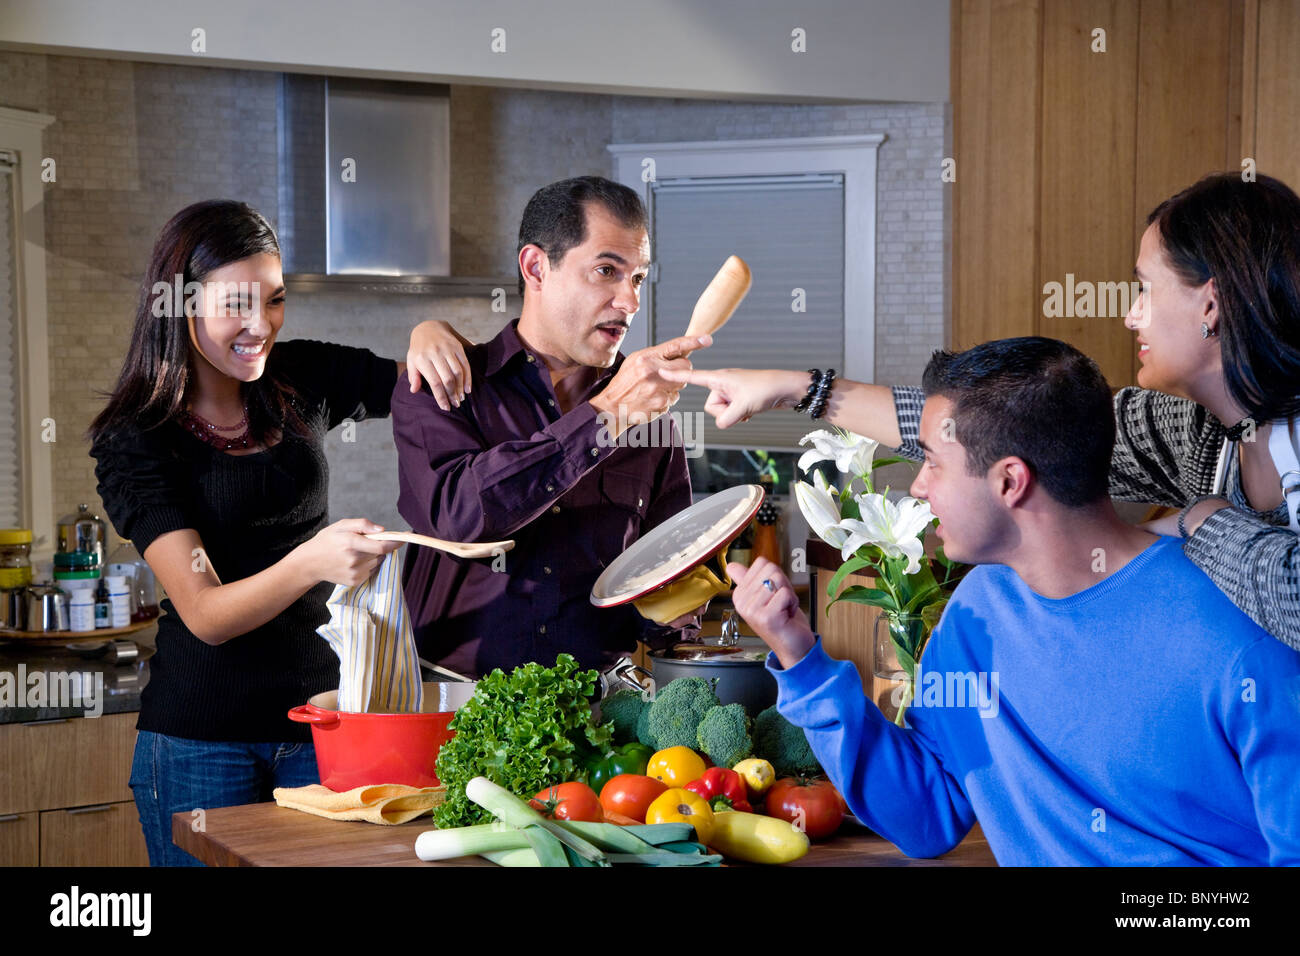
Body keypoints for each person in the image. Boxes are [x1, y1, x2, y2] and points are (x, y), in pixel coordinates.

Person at [664, 172, 1300, 648]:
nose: (1130, 312)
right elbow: (999, 427)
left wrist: (1206, 522)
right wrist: (797, 387)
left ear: (1210, 304)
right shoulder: (1195, 438)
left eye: (1144, 288)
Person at [730, 337, 1300, 865]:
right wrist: (799, 653)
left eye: (931, 460)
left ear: (1009, 482)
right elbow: (928, 812)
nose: (919, 487)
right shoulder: (980, 609)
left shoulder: (1243, 638)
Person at [88, 199, 471, 865]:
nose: (259, 325)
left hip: (323, 728)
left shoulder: (301, 377)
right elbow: (205, 612)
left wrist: (431, 331)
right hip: (200, 743)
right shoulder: (137, 440)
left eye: (273, 300)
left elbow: (428, 387)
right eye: (236, 302)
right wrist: (313, 560)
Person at [392, 176, 711, 676]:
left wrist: (691, 598)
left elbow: (664, 599)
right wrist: (607, 417)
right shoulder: (442, 384)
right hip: (450, 703)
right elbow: (460, 516)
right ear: (536, 267)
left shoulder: (651, 418)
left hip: (598, 715)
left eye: (638, 278)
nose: (629, 302)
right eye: (607, 270)